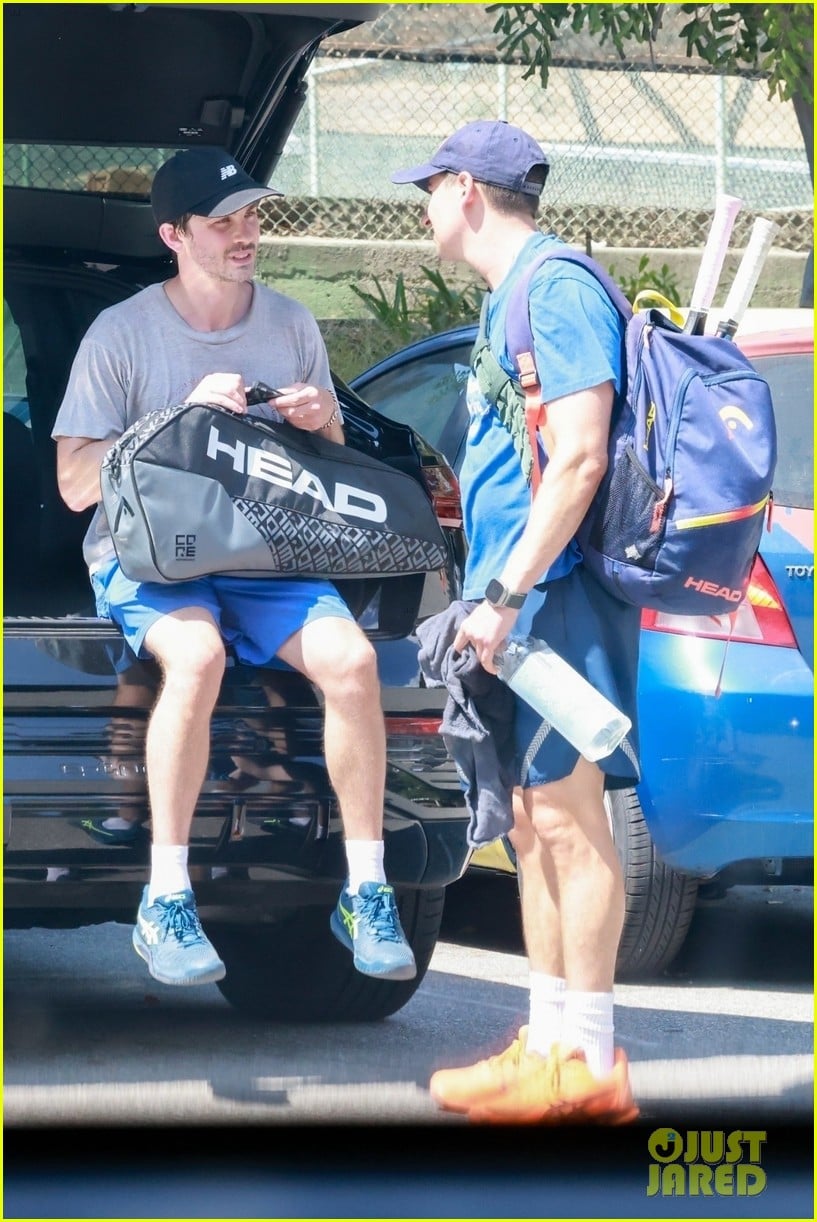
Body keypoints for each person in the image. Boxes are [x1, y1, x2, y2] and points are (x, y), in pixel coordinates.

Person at [52, 146, 416, 989]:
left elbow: (325, 472)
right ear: (175, 235)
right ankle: (165, 898)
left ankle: (366, 891)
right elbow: (75, 485)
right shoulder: (123, 334)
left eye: (253, 215)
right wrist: (179, 419)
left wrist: (325, 423)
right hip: (149, 554)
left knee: (354, 662)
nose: (247, 233)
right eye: (225, 222)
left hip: (263, 551)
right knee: (198, 655)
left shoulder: (290, 324)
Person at [391, 120, 641, 1124]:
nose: (423, 207)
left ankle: (589, 1062)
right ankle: (547, 1045)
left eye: (429, 187)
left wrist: (502, 597)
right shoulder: (514, 297)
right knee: (535, 824)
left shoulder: (557, 289)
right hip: (517, 597)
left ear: (465, 191)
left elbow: (579, 459)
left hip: (555, 599)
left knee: (572, 826)